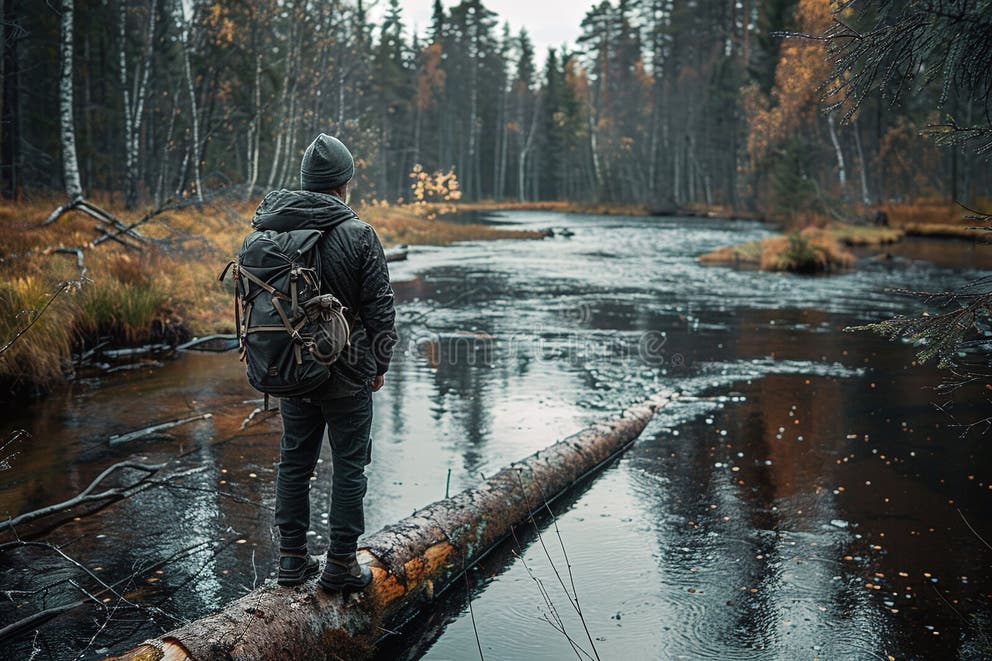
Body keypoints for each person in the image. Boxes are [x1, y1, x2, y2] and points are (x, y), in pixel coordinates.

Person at [251, 133, 397, 590]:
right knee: (350, 466)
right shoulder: (359, 233)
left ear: (306, 181)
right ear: (344, 183)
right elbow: (381, 311)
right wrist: (379, 366)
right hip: (348, 373)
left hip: (292, 370)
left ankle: (291, 562)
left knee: (295, 462)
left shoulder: (270, 231)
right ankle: (340, 566)